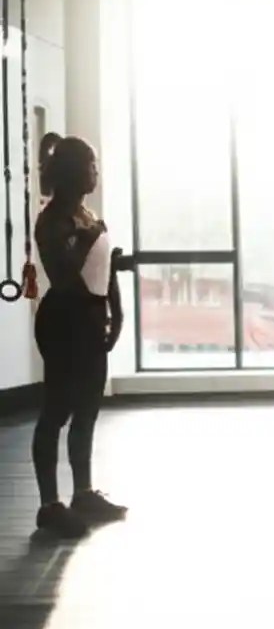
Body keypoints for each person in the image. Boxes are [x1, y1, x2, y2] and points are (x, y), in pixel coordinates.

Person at [30, 136, 128, 539]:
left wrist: (116, 313)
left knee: (87, 409)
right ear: (73, 171)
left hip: (91, 320)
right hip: (64, 322)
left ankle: (83, 493)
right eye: (91, 165)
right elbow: (66, 276)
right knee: (57, 410)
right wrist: (90, 239)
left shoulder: (86, 214)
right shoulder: (51, 220)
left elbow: (103, 271)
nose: (96, 172)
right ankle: (50, 505)